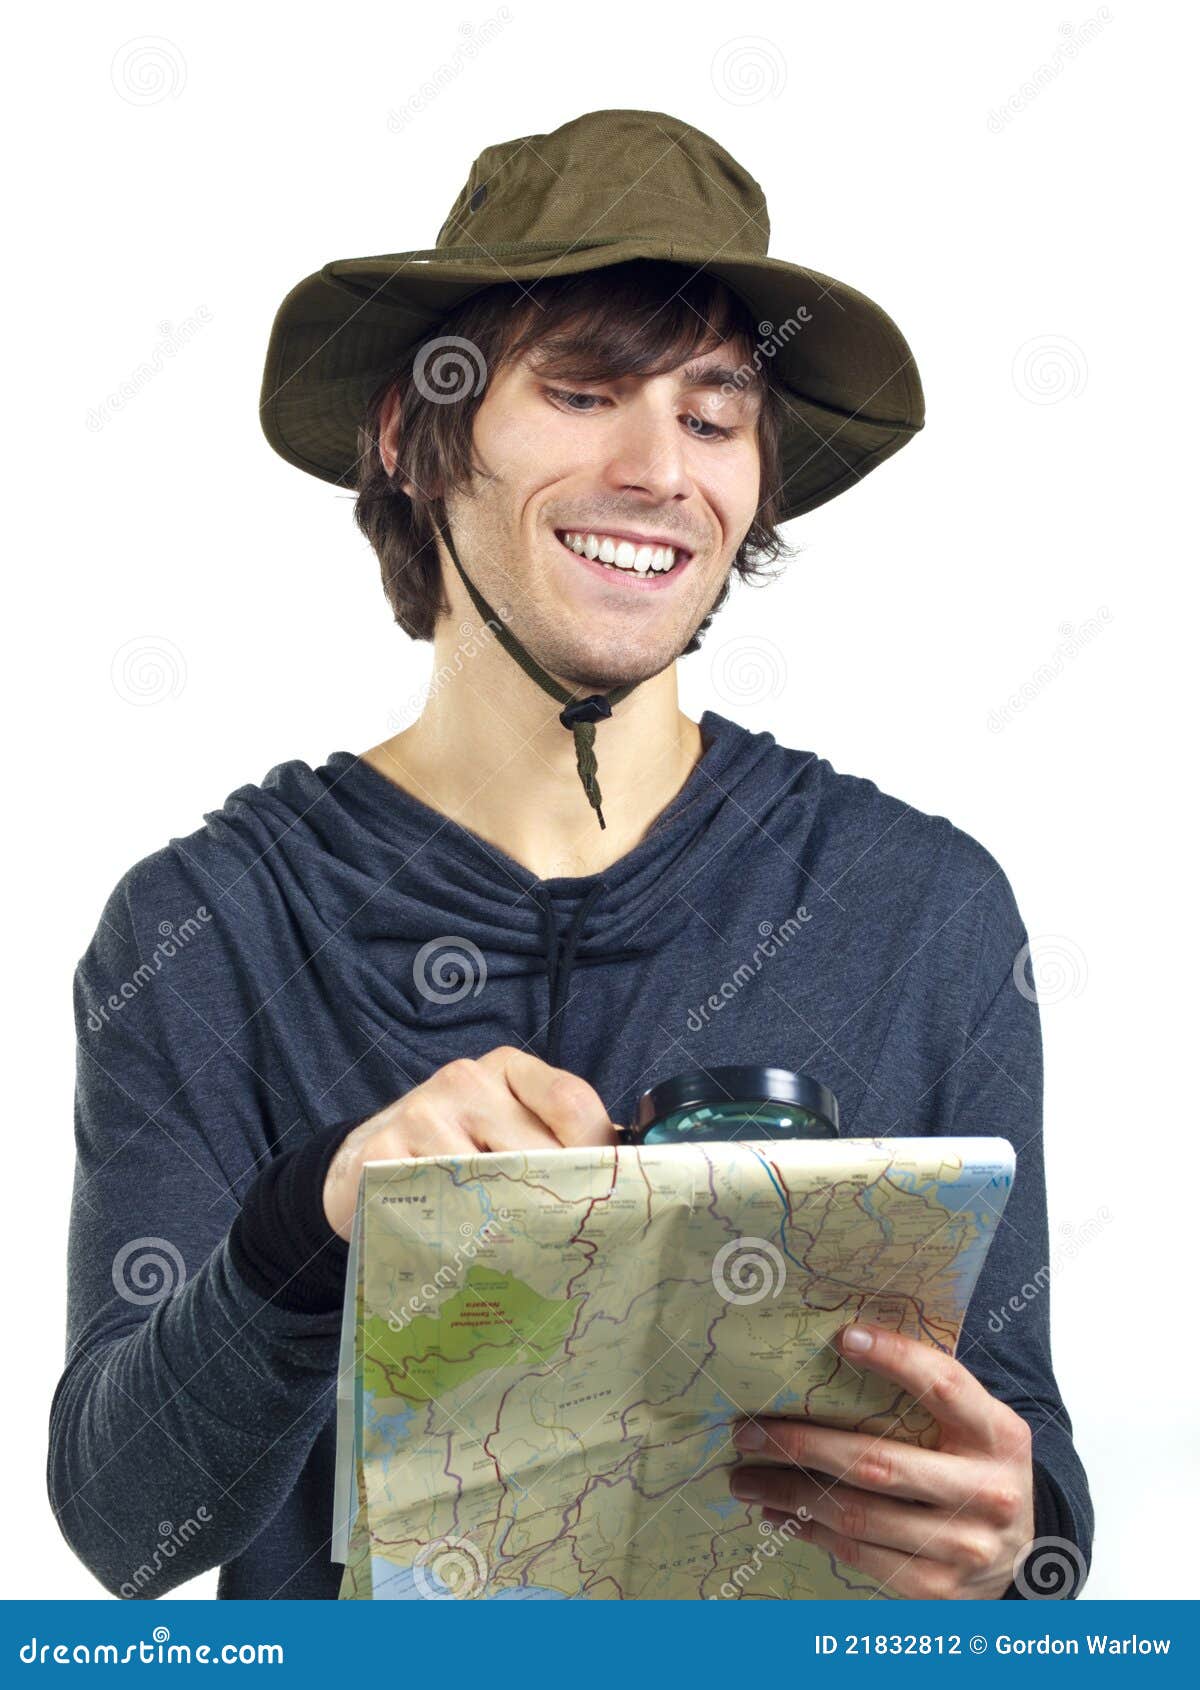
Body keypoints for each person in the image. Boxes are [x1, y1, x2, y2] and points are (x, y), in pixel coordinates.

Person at [48, 108, 1093, 1602]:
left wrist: (1013, 1536)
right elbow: (120, 1523)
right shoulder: (207, 921)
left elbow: (1029, 1490)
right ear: (415, 432)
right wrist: (320, 1213)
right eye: (587, 391)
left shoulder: (915, 906)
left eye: (716, 414)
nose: (659, 468)